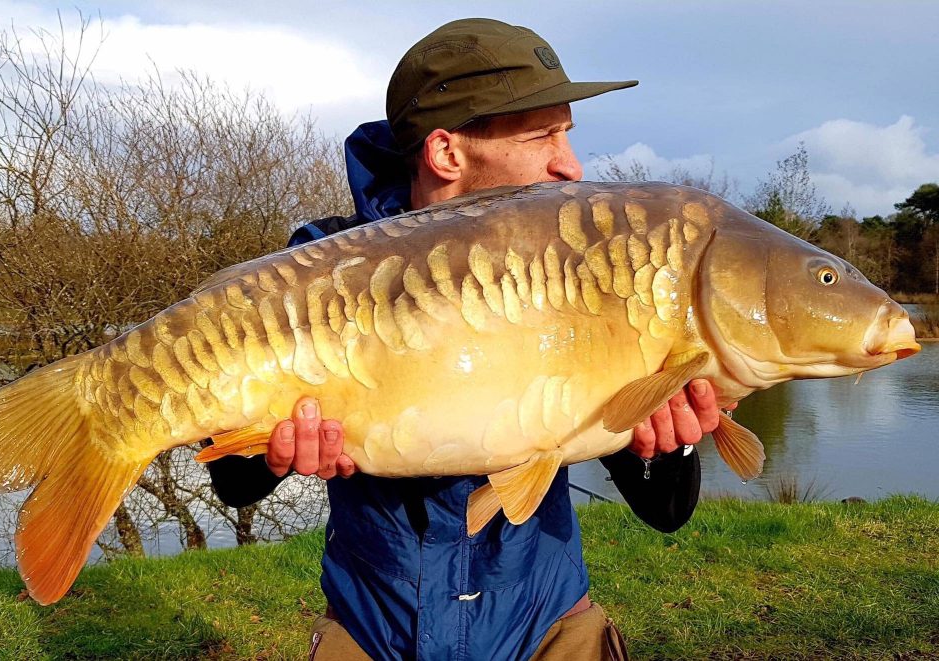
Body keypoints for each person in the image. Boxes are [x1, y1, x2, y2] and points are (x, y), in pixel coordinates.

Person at [208, 18, 730, 660]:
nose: (570, 165)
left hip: (547, 629)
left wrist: (665, 443)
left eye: (568, 134)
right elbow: (231, 482)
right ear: (448, 152)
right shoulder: (320, 271)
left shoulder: (588, 270)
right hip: (373, 635)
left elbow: (666, 511)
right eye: (544, 135)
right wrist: (274, 449)